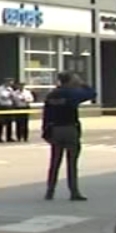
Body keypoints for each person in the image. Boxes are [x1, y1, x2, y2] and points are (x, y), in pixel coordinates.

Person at [41, 72, 96, 201]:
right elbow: (91, 93)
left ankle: (50, 191)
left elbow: (46, 114)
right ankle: (74, 192)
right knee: (72, 163)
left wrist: (45, 131)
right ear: (70, 81)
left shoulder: (52, 95)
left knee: (55, 162)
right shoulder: (72, 93)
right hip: (70, 128)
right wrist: (82, 83)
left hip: (55, 129)